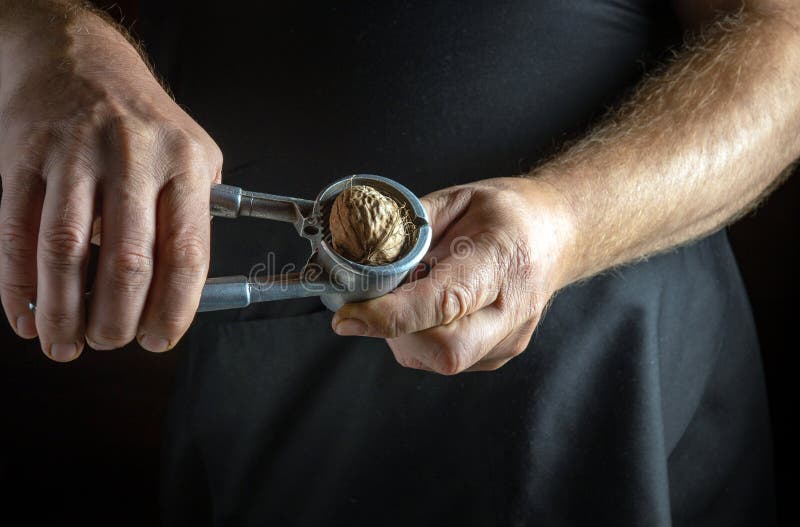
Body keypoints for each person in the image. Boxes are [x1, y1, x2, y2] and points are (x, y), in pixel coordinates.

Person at [0, 0, 791, 524]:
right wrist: (45, 37)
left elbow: (782, 46)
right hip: (255, 364)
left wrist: (569, 221)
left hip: (597, 342)